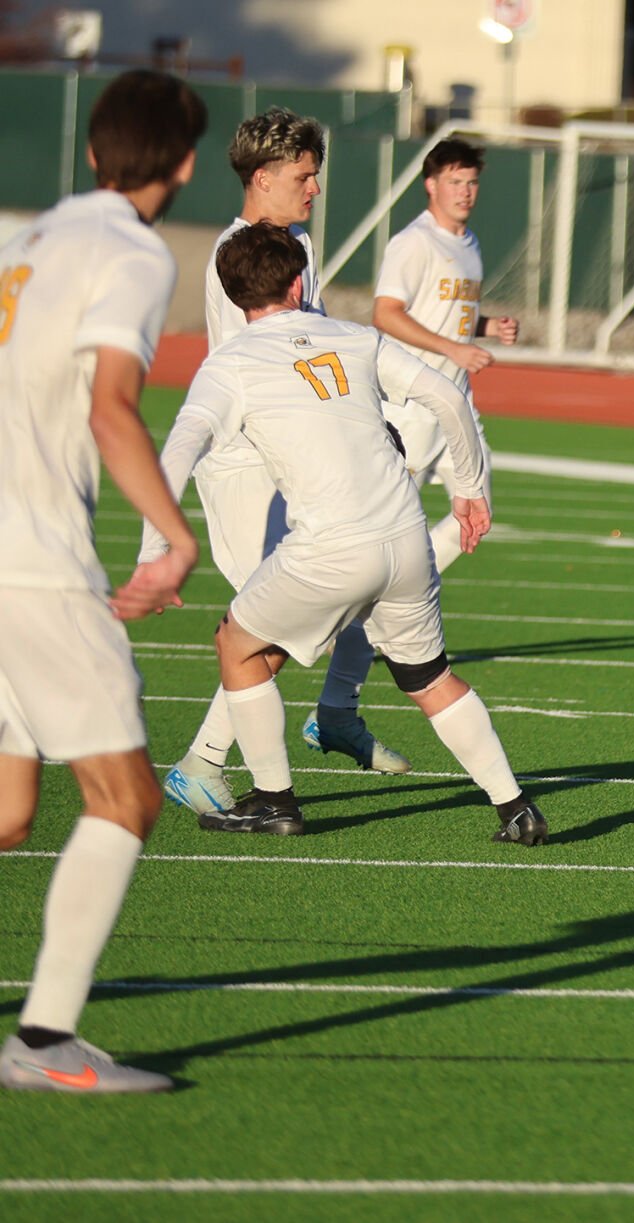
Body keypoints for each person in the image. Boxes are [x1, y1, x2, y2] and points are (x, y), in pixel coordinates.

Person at [182, 221, 546, 847]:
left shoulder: (230, 362)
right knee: (430, 678)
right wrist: (469, 486)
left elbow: (181, 445)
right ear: (300, 281)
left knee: (237, 646)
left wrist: (157, 546)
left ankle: (274, 800)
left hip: (330, 545)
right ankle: (515, 807)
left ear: (231, 294)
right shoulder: (354, 336)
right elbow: (447, 398)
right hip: (406, 535)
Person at [0, 70, 207, 1094]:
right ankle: (43, 1043)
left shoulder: (27, 241)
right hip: (31, 558)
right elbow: (113, 407)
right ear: (185, 163)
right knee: (124, 797)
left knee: (4, 808)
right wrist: (174, 535)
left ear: (92, 151)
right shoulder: (130, 248)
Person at [153, 108, 409, 824]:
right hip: (248, 469)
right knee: (272, 624)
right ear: (262, 178)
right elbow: (263, 377)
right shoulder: (237, 253)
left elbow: (318, 348)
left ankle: (214, 760)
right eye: (303, 175)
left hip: (292, 466)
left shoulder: (294, 241)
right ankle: (211, 762)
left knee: (293, 621)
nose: (315, 188)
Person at [371, 138, 518, 573]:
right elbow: (385, 313)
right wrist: (454, 347)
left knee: (477, 510)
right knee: (387, 522)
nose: (465, 191)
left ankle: (407, 586)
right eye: (455, 181)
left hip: (457, 403)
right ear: (431, 184)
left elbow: (445, 314)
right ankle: (363, 613)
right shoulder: (413, 242)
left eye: (472, 182)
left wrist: (487, 326)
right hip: (411, 405)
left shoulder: (468, 242)